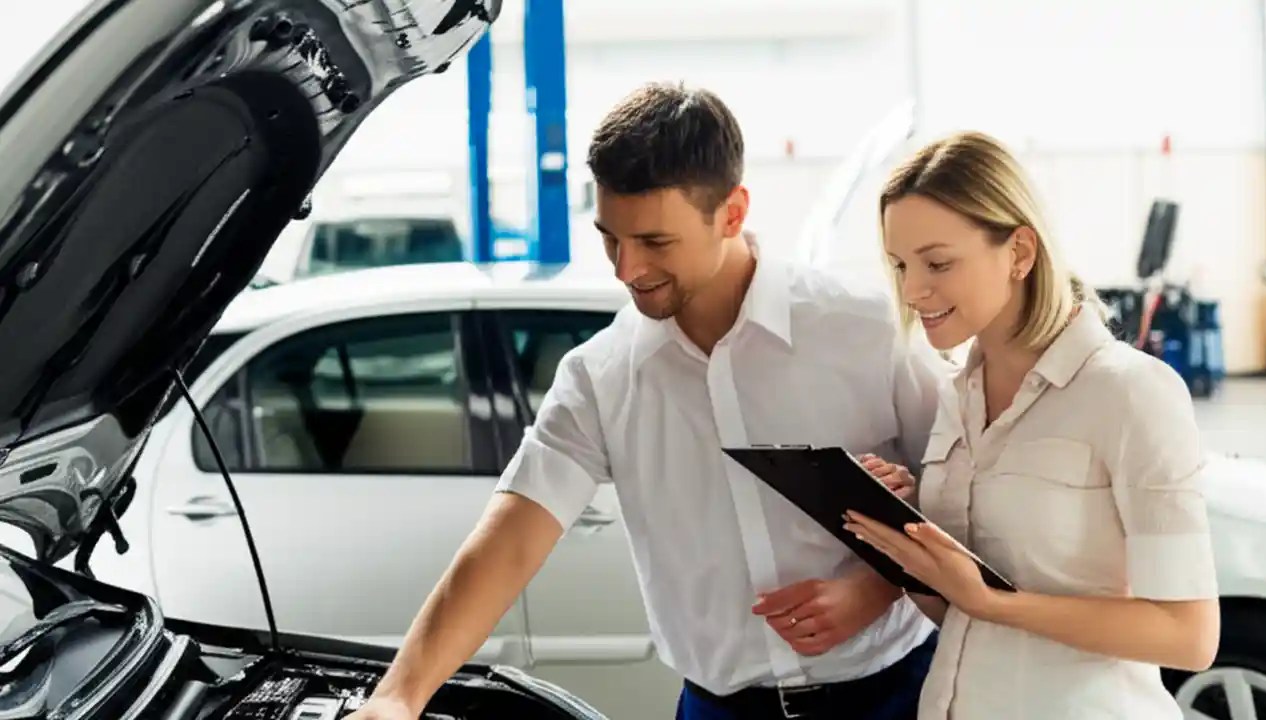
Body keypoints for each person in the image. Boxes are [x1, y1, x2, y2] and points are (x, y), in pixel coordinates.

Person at [349, 82, 946, 720]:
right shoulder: (600, 377)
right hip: (715, 709)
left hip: (896, 696)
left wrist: (877, 587)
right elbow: (509, 542)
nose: (625, 269)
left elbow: (969, 499)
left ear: (733, 213)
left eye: (656, 243)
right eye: (611, 238)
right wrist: (398, 697)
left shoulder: (867, 331)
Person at [844, 131, 1221, 719]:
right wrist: (907, 541)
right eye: (900, 265)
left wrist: (990, 600)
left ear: (1020, 251)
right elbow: (960, 613)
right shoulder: (956, 395)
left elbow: (1189, 635)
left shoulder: (1131, 391)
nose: (913, 290)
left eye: (937, 262)